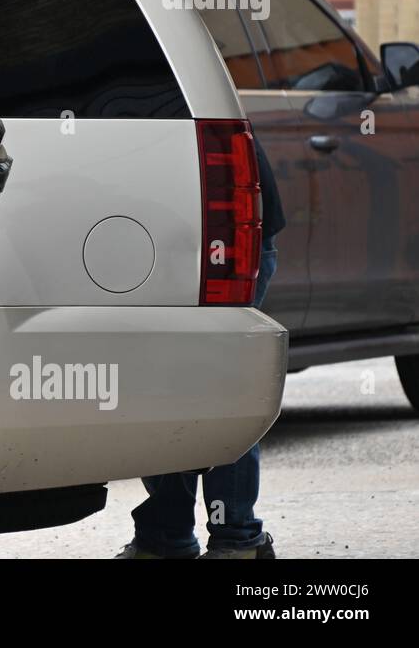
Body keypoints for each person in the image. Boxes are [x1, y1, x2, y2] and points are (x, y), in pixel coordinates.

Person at [117, 135, 285, 559]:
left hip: (220, 237)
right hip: (167, 236)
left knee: (217, 385)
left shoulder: (161, 90)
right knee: (169, 386)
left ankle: (235, 536)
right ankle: (170, 532)